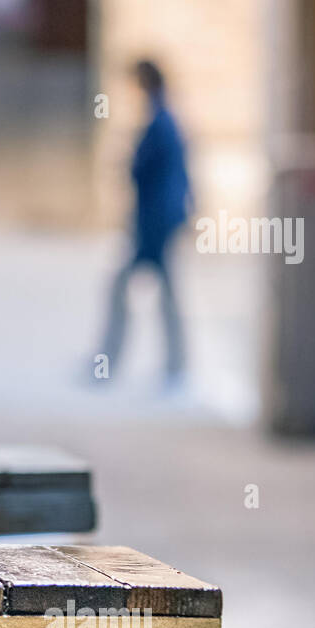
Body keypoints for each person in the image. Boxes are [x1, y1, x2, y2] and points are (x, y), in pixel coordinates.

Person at [99, 59, 190, 385]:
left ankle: (169, 367)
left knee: (149, 295)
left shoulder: (160, 123)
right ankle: (172, 367)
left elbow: (150, 174)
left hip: (156, 224)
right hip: (158, 221)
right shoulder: (163, 120)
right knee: (160, 297)